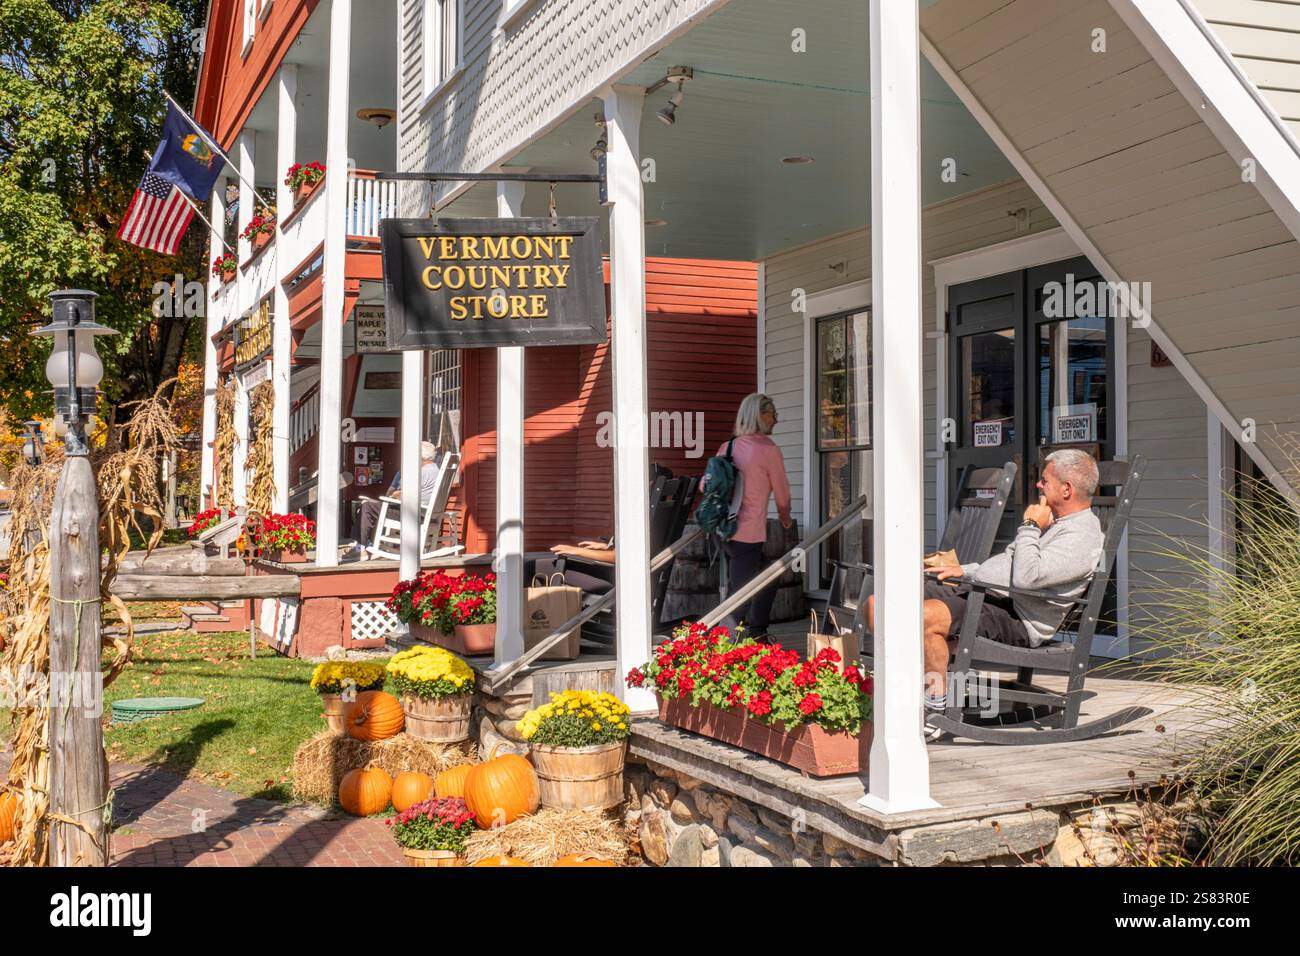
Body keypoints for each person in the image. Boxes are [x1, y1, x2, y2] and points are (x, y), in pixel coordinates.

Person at [867, 447, 1105, 733]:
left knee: (924, 618)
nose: (1038, 485)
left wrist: (1029, 525)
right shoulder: (1053, 521)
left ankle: (932, 712)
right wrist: (967, 570)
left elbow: (1027, 579)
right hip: (988, 595)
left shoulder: (1082, 536)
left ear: (1066, 489)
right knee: (879, 605)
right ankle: (906, 694)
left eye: (1045, 480)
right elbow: (1010, 561)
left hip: (1018, 618)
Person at [713, 393, 792, 640]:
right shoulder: (768, 450)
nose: (776, 420)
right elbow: (782, 494)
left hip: (721, 529)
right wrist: (785, 518)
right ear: (760, 415)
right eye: (773, 414)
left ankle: (758, 632)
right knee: (742, 594)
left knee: (767, 575)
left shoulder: (728, 447)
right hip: (748, 533)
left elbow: (708, 487)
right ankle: (718, 647)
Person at [343, 441, 440, 560]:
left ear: (420, 456)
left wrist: (396, 494)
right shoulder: (435, 470)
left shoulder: (423, 472)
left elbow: (405, 495)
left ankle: (361, 547)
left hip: (413, 514)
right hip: (423, 513)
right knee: (371, 506)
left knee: (367, 507)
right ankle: (362, 545)